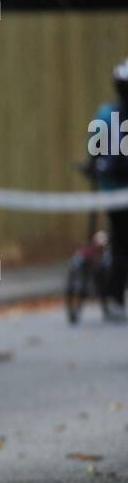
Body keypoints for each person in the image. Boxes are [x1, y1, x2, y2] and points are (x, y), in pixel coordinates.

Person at [90, 60, 128, 320]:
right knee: (122, 244)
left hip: (110, 190)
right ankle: (114, 294)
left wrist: (94, 168)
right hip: (116, 190)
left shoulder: (105, 114)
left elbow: (94, 153)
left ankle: (115, 296)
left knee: (120, 243)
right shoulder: (107, 115)